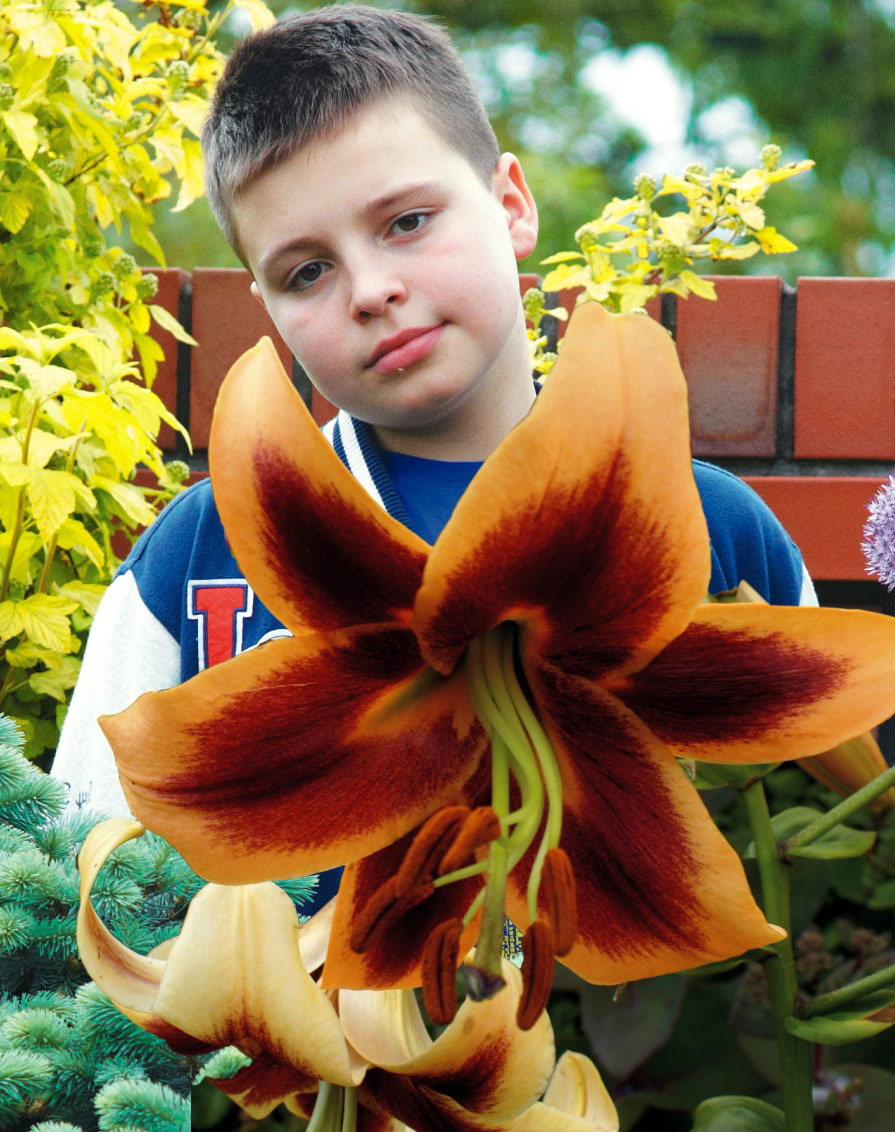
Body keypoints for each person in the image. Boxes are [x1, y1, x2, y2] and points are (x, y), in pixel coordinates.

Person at [51, 5, 816, 911]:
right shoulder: (198, 549)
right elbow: (78, 864)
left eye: (407, 221)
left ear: (511, 206)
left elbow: (820, 833)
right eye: (306, 272)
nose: (372, 291)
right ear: (269, 312)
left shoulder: (710, 524)